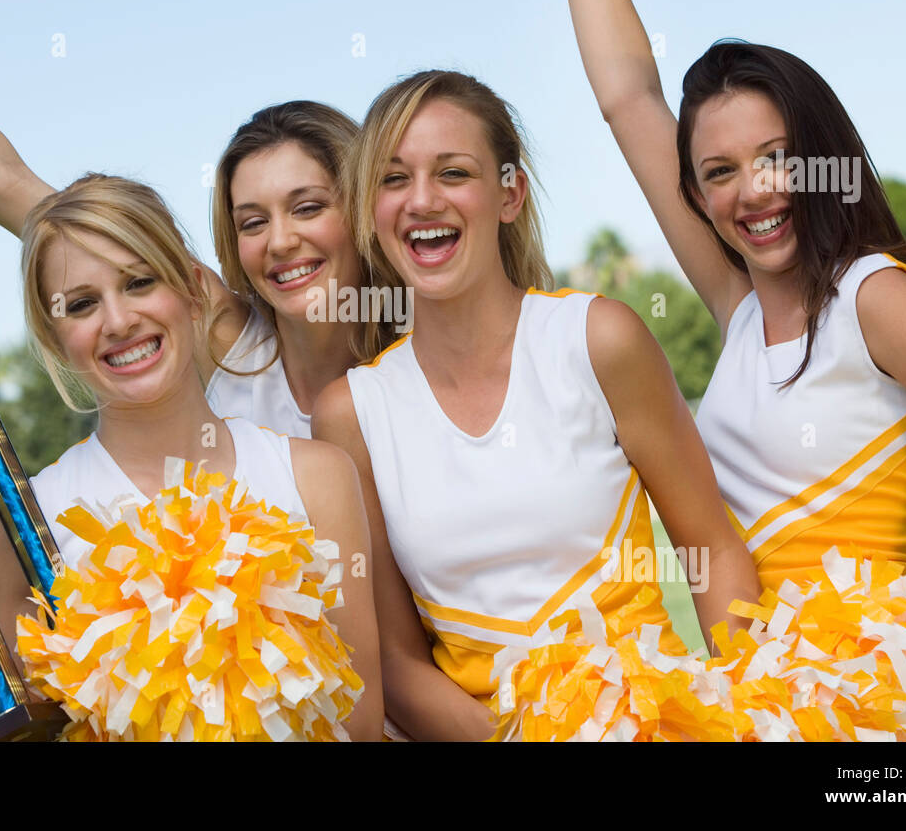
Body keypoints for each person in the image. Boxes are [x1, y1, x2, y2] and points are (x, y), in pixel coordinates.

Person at [562, 0, 906, 735]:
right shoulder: (738, 313)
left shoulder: (873, 299)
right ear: (696, 196)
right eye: (719, 173)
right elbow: (628, 101)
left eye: (776, 156)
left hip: (883, 713)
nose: (753, 191)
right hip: (770, 707)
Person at [0, 175, 382, 741]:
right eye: (82, 304)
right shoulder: (15, 527)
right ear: (53, 334)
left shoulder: (317, 475)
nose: (119, 319)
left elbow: (359, 723)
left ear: (194, 292)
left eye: (140, 282)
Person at [312, 69, 763, 741]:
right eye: (393, 178)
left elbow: (713, 551)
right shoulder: (351, 413)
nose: (422, 200)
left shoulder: (599, 339)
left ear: (509, 194)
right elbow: (397, 659)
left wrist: (744, 709)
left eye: (453, 173)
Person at [0, 22, 394, 438]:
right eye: (252, 222)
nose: (279, 241)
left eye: (307, 208)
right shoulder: (231, 340)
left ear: (361, 209)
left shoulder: (424, 350)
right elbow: (1, 184)